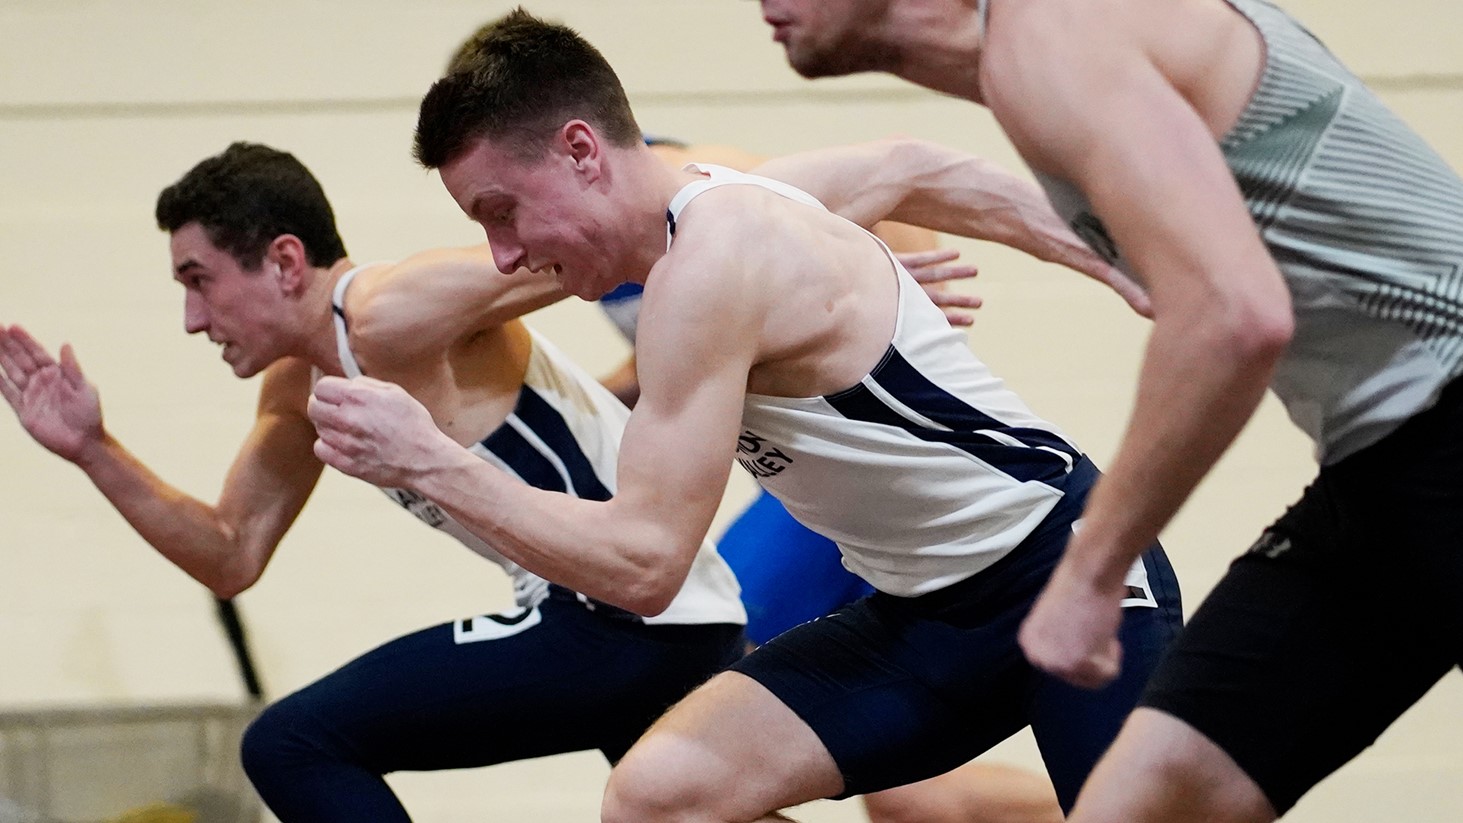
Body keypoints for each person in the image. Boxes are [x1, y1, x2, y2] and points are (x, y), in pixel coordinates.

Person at [306, 10, 1181, 821]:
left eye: (502, 213)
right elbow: (909, 164)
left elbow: (645, 563)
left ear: (580, 150)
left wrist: (429, 461)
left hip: (1062, 570)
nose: (502, 255)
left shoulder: (713, 258)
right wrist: (1106, 255)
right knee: (656, 795)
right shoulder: (721, 209)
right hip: (920, 616)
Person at [757, 0, 1463, 821]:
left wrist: (1089, 570)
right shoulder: (1036, 58)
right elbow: (919, 172)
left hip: (1435, 433)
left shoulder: (1051, 31)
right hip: (1385, 467)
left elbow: (1234, 316)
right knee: (1142, 802)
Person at [0, 141, 748, 822]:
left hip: (618, 612)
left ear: (286, 262)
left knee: (292, 743)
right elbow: (230, 554)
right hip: (657, 618)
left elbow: (611, 239)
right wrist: (93, 450)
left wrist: (770, 201)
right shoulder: (298, 386)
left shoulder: (391, 307)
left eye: (200, 281)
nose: (193, 319)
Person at [614, 137, 1065, 823]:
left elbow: (889, 189)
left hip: (847, 498)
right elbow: (675, 359)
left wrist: (875, 276)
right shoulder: (590, 249)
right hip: (827, 504)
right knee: (906, 800)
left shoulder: (712, 190)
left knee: (681, 697)